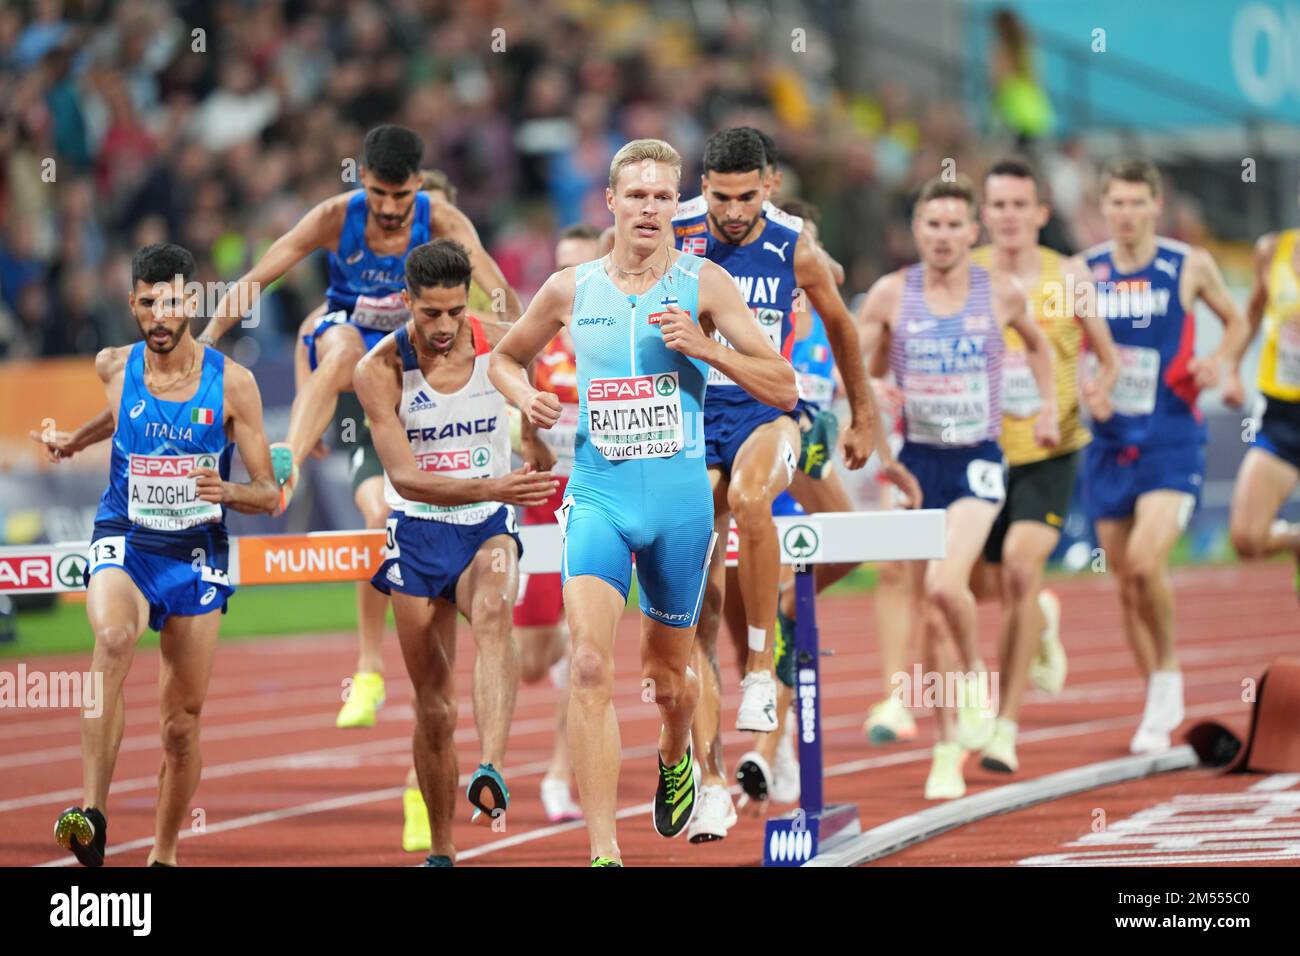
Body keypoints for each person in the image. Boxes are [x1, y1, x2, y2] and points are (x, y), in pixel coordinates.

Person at [489, 138, 798, 866]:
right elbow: (503, 355)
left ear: (674, 204)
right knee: (591, 667)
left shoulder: (705, 283)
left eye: (664, 195)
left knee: (668, 679)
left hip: (681, 505)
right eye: (638, 195)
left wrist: (710, 349)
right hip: (598, 495)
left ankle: (674, 754)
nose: (651, 207)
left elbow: (784, 387)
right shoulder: (571, 288)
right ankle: (605, 852)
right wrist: (523, 393)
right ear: (612, 202)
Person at [673, 128, 913, 840]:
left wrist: (863, 419)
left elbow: (842, 326)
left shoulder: (795, 250)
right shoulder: (674, 231)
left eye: (749, 196)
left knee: (836, 547)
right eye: (722, 197)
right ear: (703, 188)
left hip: (788, 420)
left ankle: (774, 632)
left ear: (770, 187)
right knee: (697, 602)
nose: (735, 211)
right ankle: (715, 772)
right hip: (689, 422)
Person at [37, 242, 278, 866]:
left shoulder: (236, 385)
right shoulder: (114, 365)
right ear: (133, 304)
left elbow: (268, 492)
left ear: (191, 302)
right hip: (128, 536)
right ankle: (91, 813)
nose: (158, 317)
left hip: (197, 551)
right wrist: (73, 440)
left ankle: (164, 853)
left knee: (180, 725)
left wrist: (226, 491)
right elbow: (118, 415)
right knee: (113, 639)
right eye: (146, 304)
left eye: (170, 303)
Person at [353, 239, 558, 867]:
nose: (442, 328)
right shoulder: (378, 370)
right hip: (416, 534)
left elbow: (537, 418)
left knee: (496, 613)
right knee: (434, 709)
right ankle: (441, 849)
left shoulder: (501, 341)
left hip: (483, 528)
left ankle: (491, 766)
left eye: (452, 312)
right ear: (406, 303)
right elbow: (407, 480)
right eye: (429, 315)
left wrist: (533, 436)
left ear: (466, 300)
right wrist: (495, 482)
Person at [197, 126, 521, 512]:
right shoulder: (333, 218)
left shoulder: (441, 220)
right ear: (363, 177)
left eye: (400, 196)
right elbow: (256, 279)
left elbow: (501, 295)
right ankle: (285, 471)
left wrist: (515, 350)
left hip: (414, 344)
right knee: (346, 350)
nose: (387, 209)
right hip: (347, 328)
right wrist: (209, 338)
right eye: (378, 194)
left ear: (417, 183)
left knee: (471, 330)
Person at [860, 174, 1057, 799]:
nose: (942, 236)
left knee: (948, 586)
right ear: (916, 231)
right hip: (918, 465)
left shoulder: (998, 292)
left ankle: (974, 682)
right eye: (932, 225)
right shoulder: (892, 294)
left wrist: (1049, 409)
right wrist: (872, 395)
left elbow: (1041, 348)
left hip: (977, 461)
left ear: (973, 233)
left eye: (954, 226)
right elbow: (858, 369)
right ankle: (947, 749)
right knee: (937, 614)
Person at [1081, 158, 1247, 754]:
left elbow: (1235, 321)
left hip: (1173, 438)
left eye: (1136, 203)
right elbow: (1071, 349)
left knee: (1148, 564)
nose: (1125, 215)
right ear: (1103, 208)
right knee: (1126, 582)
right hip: (1109, 445)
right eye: (1115, 204)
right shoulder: (1085, 271)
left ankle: (1170, 676)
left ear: (1156, 205)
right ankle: (1154, 693)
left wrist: (1218, 362)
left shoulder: (1188, 264)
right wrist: (1090, 391)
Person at [967, 156, 1120, 773]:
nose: (1007, 217)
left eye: (1018, 206)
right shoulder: (965, 272)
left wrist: (1100, 386)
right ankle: (1042, 621)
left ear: (1040, 213)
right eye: (997, 206)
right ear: (984, 214)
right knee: (978, 587)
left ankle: (1004, 726)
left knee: (1023, 572)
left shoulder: (1069, 276)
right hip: (976, 452)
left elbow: (1106, 357)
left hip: (1051, 449)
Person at [512, 223, 603, 823]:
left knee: (584, 655)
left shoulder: (615, 338)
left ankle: (556, 776)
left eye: (580, 264)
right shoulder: (534, 345)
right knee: (531, 661)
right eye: (560, 265)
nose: (569, 276)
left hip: (596, 505)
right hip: (542, 508)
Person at [1227, 210, 1300, 593]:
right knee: (1247, 538)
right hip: (1282, 417)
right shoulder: (1273, 251)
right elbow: (1253, 311)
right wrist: (1231, 367)